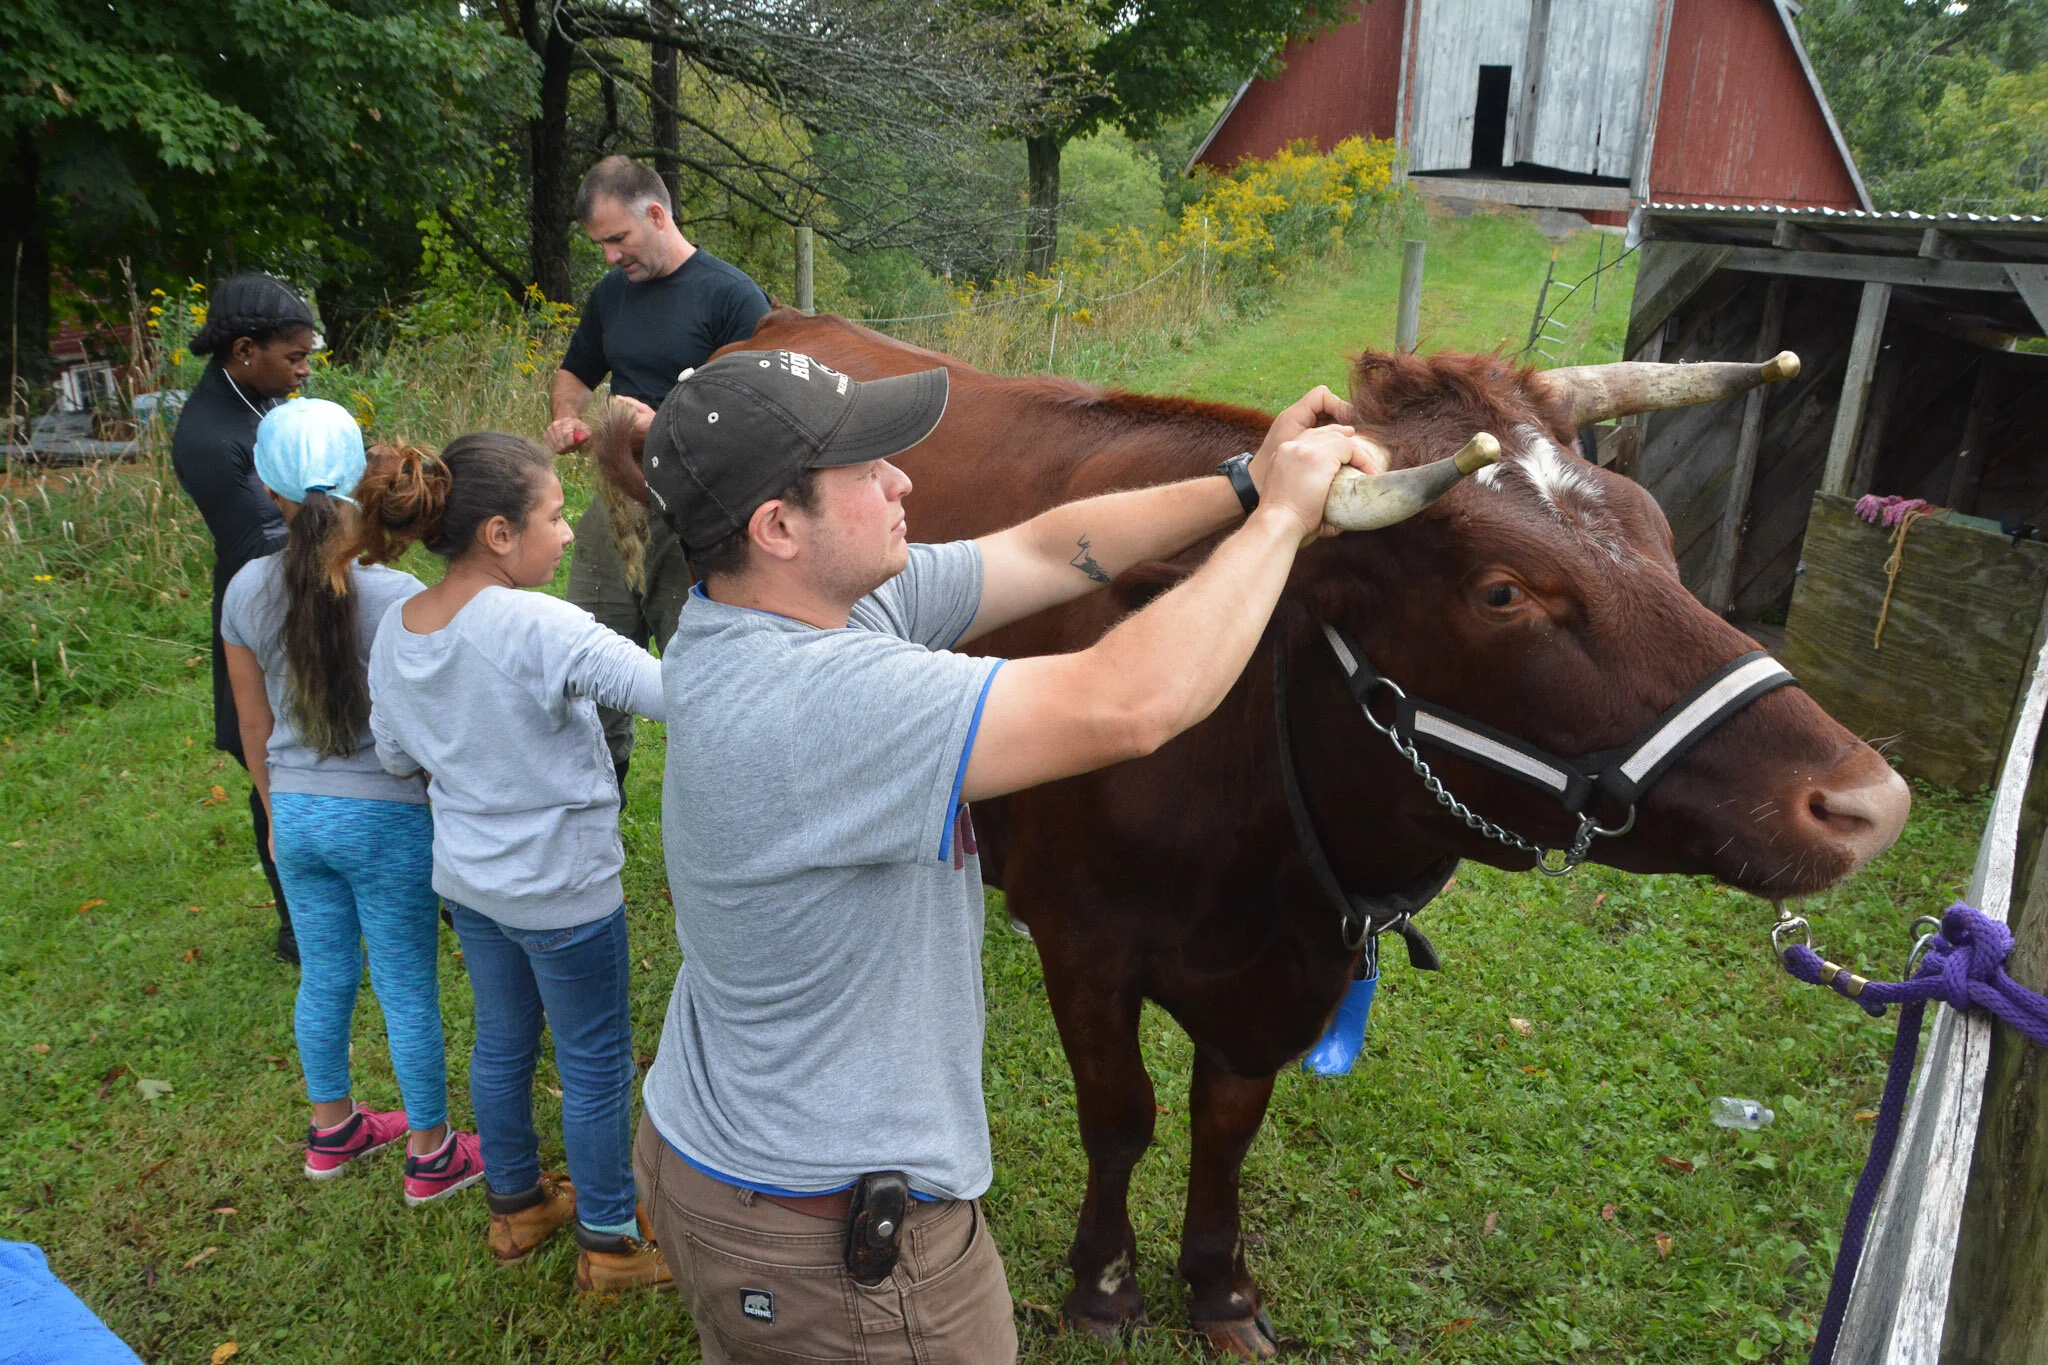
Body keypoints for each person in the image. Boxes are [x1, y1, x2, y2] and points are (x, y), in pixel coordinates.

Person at [632, 349, 1378, 1363]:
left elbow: (1040, 552)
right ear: (776, 528)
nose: (904, 482)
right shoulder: (812, 703)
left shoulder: (789, 608)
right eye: (865, 472)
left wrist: (1245, 480)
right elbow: (1130, 701)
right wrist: (1284, 522)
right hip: (837, 1244)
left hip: (731, 1164)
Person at [349, 427, 673, 1293]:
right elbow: (670, 692)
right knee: (595, 1060)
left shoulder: (398, 628)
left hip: (472, 885)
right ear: (499, 532)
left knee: (500, 1043)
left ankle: (518, 1204)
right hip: (563, 890)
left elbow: (391, 755)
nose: (569, 535)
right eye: (557, 516)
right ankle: (610, 1241)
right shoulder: (541, 622)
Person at [220, 398, 485, 1202]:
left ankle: (332, 1131)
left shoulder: (243, 591)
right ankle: (432, 1154)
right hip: (387, 815)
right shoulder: (397, 593)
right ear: (361, 482)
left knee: (324, 974)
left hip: (297, 815)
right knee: (406, 981)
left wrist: (273, 814)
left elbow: (254, 725)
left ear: (265, 488)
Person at [545, 156, 771, 794]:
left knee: (700, 672)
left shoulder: (731, 297)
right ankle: (596, 799)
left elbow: (759, 417)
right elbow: (574, 373)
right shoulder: (612, 296)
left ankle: (723, 806)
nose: (612, 258)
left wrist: (664, 421)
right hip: (617, 504)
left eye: (618, 240)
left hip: (699, 516)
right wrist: (568, 418)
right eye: (601, 246)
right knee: (589, 658)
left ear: (656, 214)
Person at [171, 272, 316, 964]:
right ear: (244, 349)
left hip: (306, 589)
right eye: (294, 357)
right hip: (257, 609)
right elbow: (266, 535)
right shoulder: (207, 435)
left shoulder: (259, 401)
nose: (304, 370)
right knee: (272, 757)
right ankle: (299, 924)